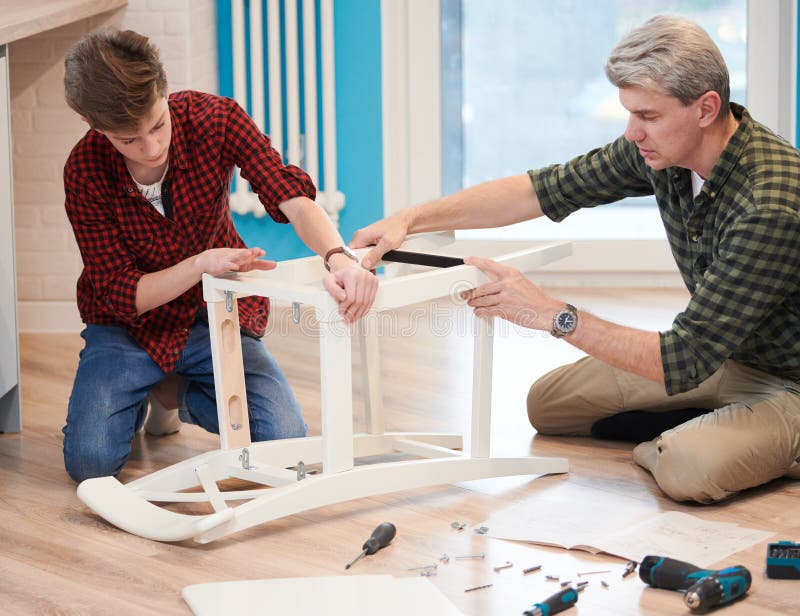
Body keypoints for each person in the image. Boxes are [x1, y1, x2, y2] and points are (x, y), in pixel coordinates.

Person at [351, 15, 800, 504]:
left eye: (648, 115)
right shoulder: (665, 152)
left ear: (706, 108)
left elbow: (685, 356)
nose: (633, 132)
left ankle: (704, 441)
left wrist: (552, 314)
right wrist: (411, 219)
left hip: (788, 382)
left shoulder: (769, 203)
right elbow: (542, 189)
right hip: (724, 357)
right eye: (629, 113)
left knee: (686, 468)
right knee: (549, 405)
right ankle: (712, 429)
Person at [61, 28, 377, 483]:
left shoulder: (216, 119)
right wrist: (199, 264)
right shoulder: (84, 169)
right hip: (129, 329)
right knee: (89, 463)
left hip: (210, 316)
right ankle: (140, 391)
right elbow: (122, 294)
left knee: (284, 440)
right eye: (128, 140)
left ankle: (169, 392)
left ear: (163, 86)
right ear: (93, 124)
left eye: (157, 125)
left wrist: (338, 257)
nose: (151, 148)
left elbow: (289, 195)